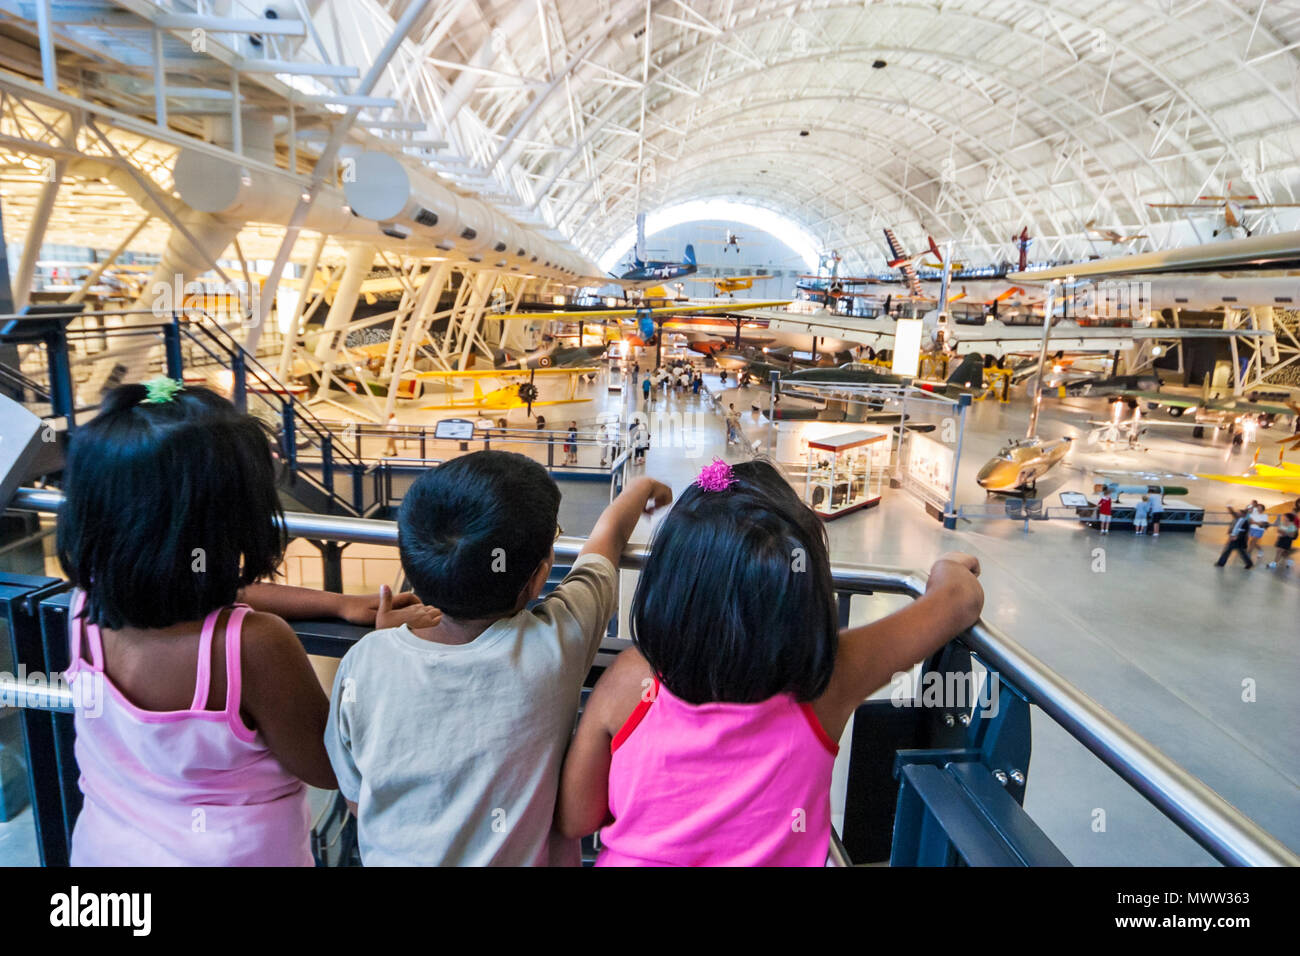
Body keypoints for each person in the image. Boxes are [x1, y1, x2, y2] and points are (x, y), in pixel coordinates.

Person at [57, 379, 437, 866]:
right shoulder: (251, 646)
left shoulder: (85, 603)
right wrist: (381, 653)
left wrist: (336, 604)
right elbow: (328, 765)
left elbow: (186, 582)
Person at [554, 459, 983, 866]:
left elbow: (576, 817)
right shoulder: (830, 677)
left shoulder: (630, 680)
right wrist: (948, 565)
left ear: (671, 584)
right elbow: (959, 600)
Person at [325, 452, 672, 865]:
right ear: (540, 577)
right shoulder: (558, 643)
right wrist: (642, 488)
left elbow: (357, 799)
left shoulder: (363, 663)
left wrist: (386, 645)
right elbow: (607, 541)